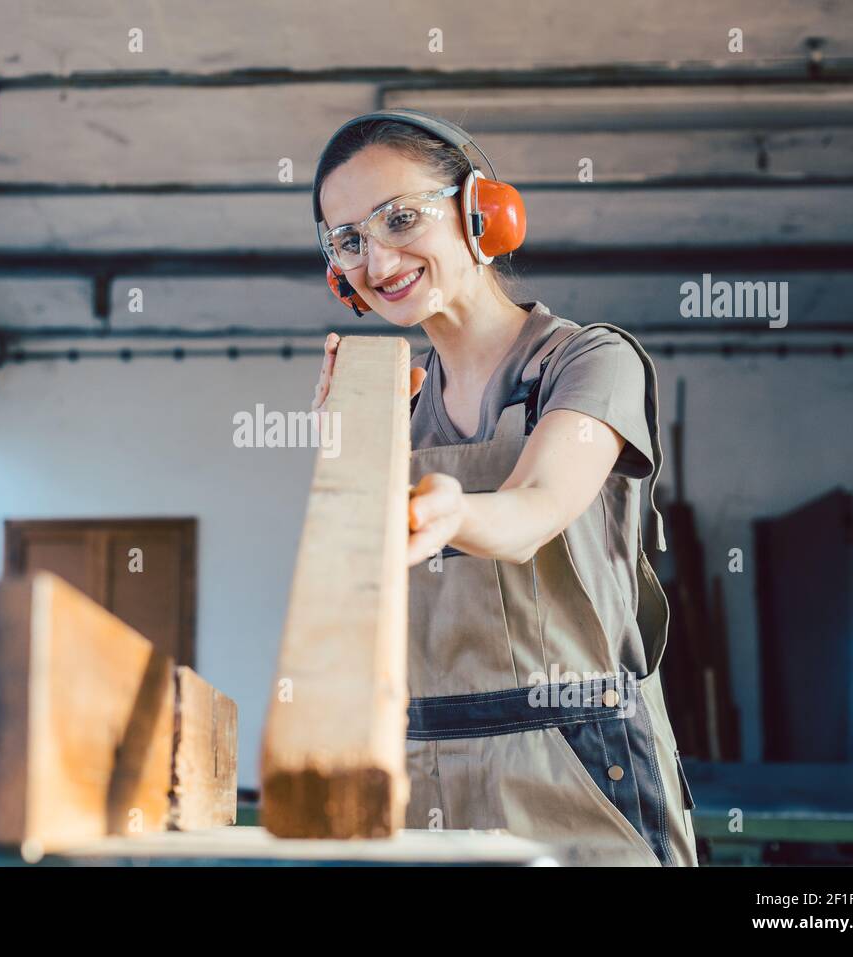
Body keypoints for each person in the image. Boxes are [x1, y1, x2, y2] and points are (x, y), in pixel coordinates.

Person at [309, 109, 698, 866]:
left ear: (481, 211)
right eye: (349, 239)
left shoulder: (587, 362)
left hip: (579, 764)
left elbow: (535, 508)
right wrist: (347, 459)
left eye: (400, 218)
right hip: (429, 772)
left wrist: (452, 510)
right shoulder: (392, 409)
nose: (376, 256)